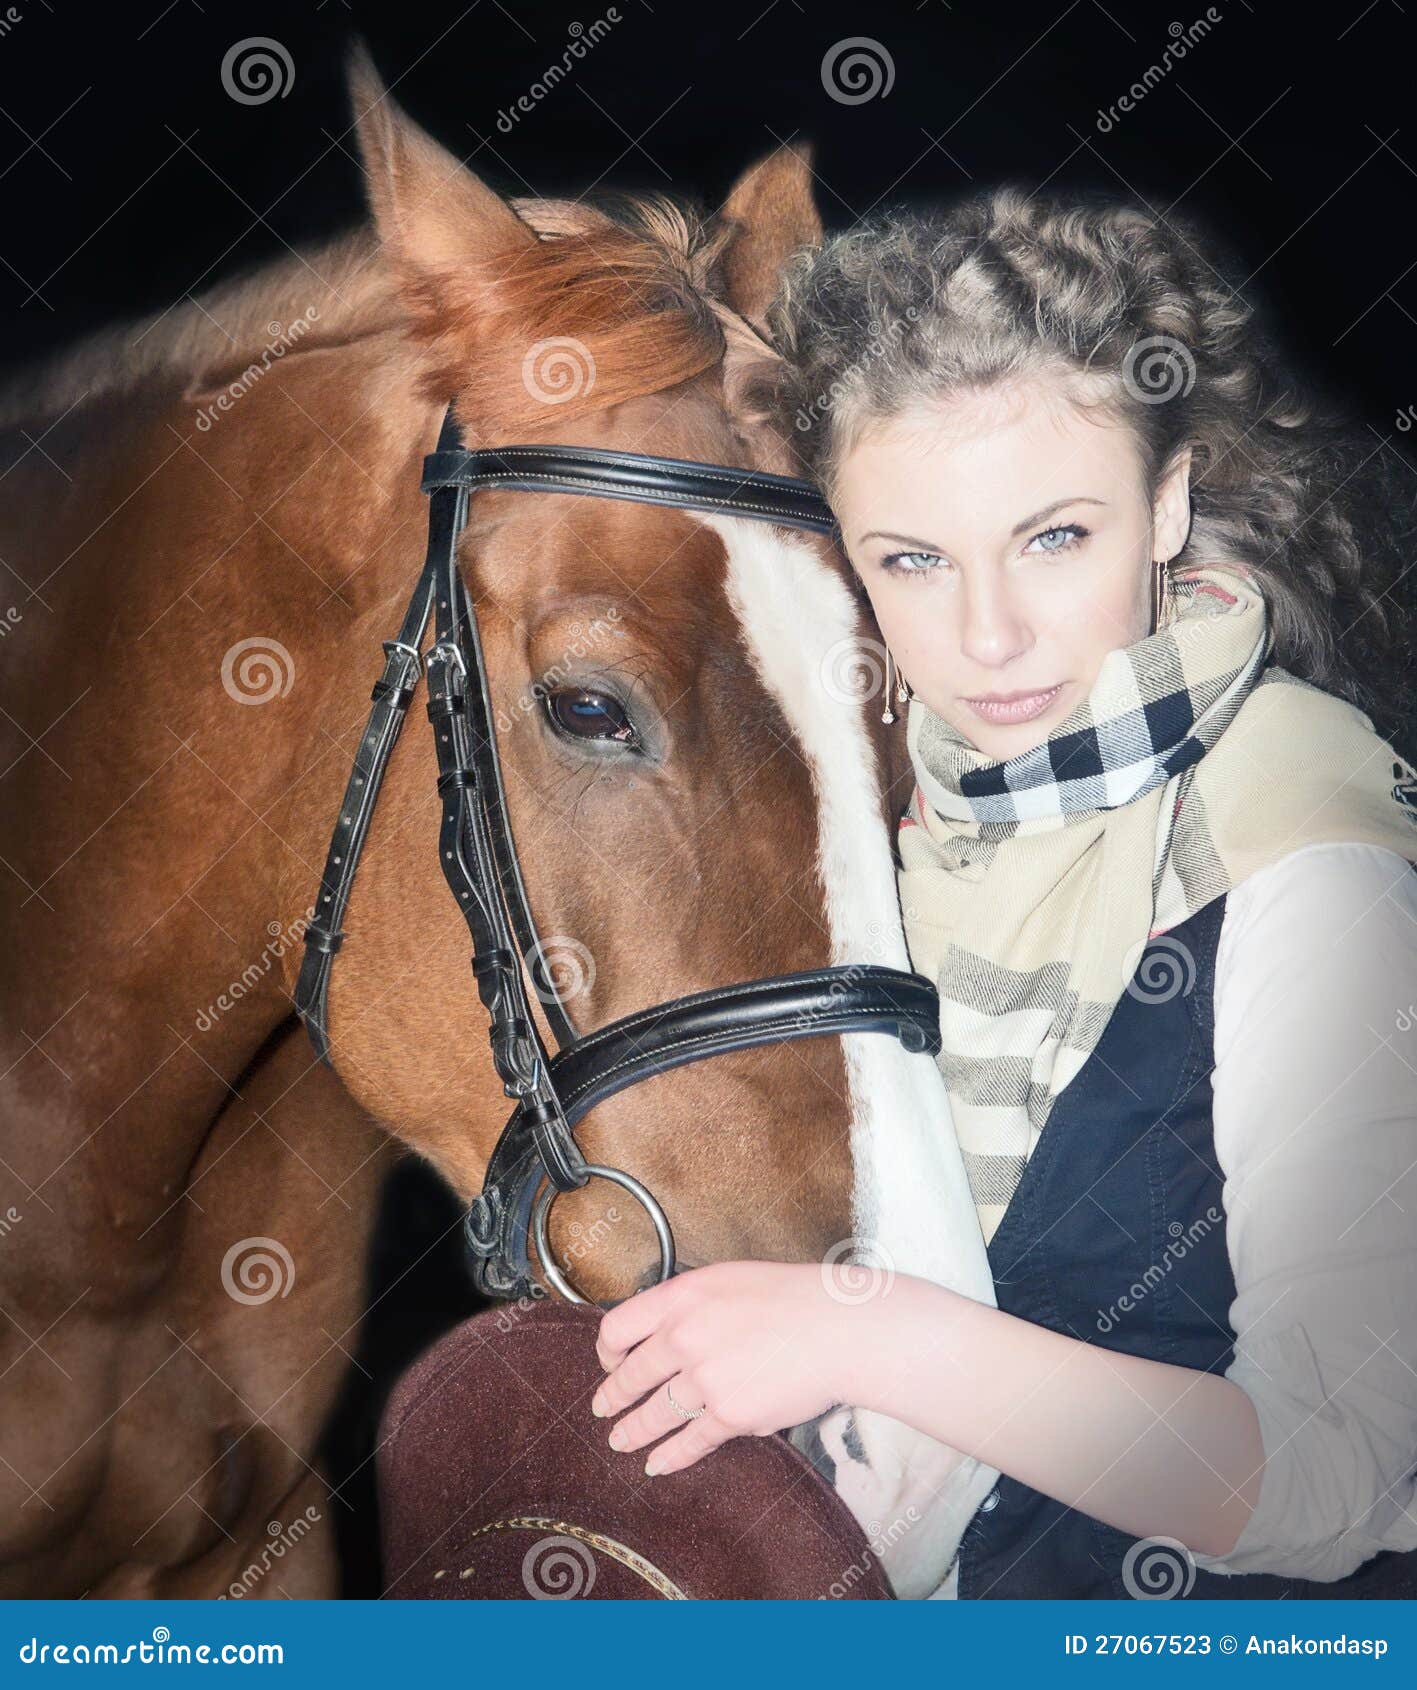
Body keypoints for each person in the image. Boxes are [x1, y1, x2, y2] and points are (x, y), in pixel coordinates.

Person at [590, 185, 1417, 1598]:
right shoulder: (859, 844)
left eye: (1053, 538)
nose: (984, 638)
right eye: (911, 559)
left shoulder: (1304, 847)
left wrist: (865, 1334)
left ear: (1163, 508)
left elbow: (1334, 1474)